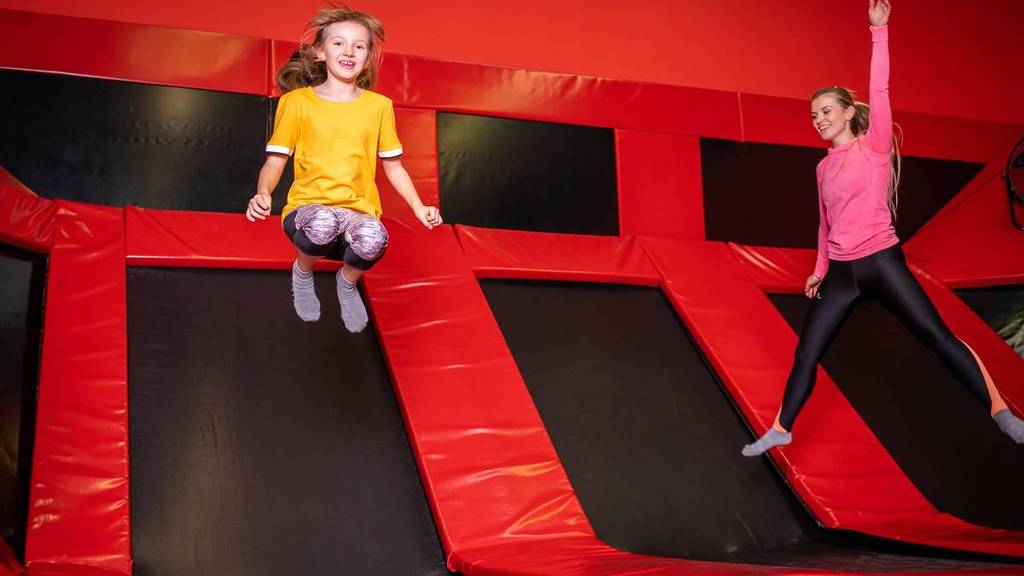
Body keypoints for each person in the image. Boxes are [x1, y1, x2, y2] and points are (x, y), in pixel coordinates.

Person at [743, 0, 1024, 457]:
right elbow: (824, 222)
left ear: (849, 113)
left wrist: (880, 32)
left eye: (826, 111)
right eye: (813, 115)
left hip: (880, 261)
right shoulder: (821, 168)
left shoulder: (873, 147)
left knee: (937, 336)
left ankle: (1004, 415)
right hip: (841, 272)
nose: (819, 120)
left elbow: (880, 86)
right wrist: (818, 269)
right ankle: (781, 428)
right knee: (807, 351)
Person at [245, 6, 442, 333]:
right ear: (320, 52)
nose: (349, 51)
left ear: (368, 58)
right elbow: (275, 160)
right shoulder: (297, 103)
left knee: (374, 238)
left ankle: (347, 283)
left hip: (356, 211)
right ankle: (303, 272)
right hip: (308, 210)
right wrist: (263, 192)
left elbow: (393, 167)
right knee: (322, 223)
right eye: (338, 43)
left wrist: (419, 206)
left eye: (359, 46)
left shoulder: (378, 107)